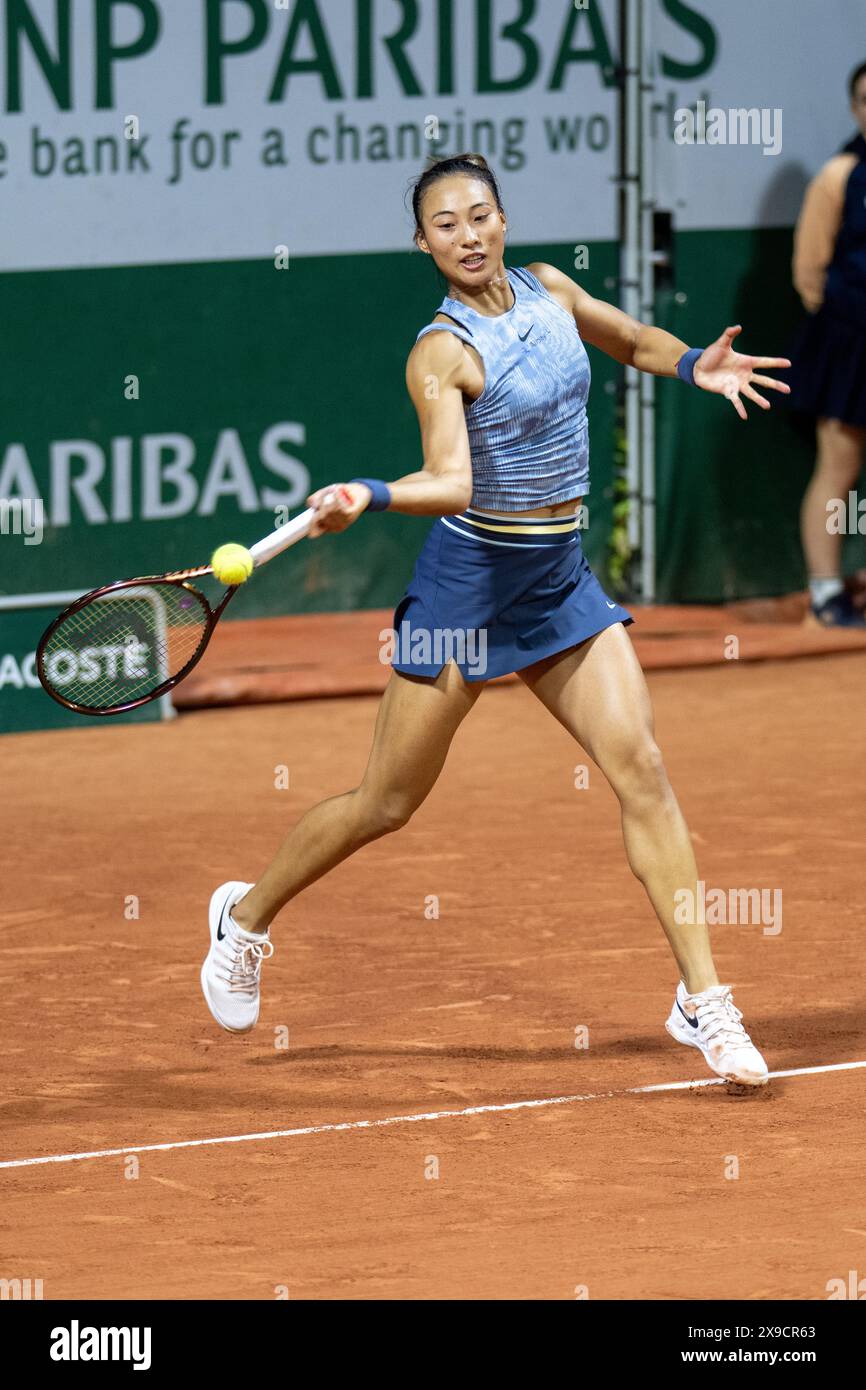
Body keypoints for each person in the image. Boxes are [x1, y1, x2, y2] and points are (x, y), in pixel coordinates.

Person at [200, 153, 791, 1089]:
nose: (468, 235)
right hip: (462, 595)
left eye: (481, 215)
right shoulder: (439, 353)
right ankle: (245, 918)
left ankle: (705, 1004)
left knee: (642, 768)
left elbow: (631, 339)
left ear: (504, 221)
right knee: (384, 804)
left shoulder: (550, 289)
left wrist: (691, 363)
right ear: (423, 243)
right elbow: (455, 484)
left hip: (557, 581)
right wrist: (374, 490)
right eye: (447, 223)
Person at [787, 60, 866, 628]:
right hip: (850, 341)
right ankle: (826, 595)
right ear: (855, 108)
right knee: (839, 465)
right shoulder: (838, 177)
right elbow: (809, 273)